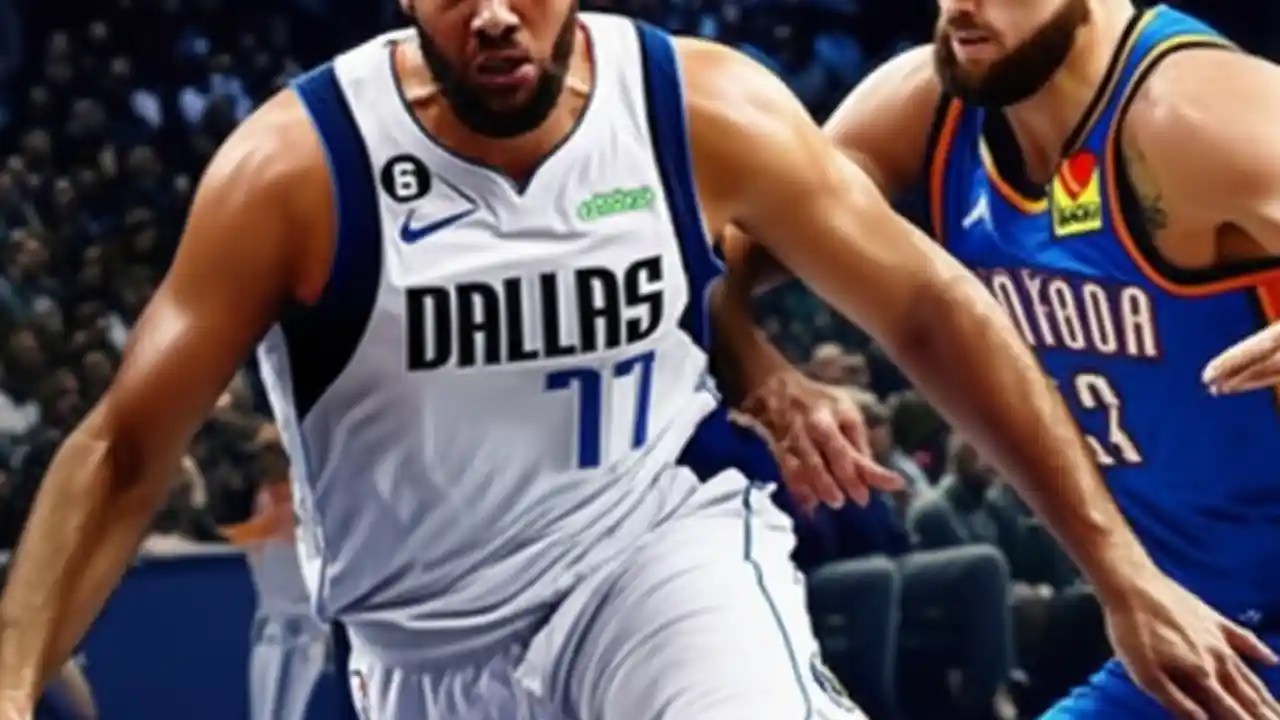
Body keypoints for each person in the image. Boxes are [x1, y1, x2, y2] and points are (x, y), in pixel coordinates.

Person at [0, 0, 1267, 717]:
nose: (497, 15)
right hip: (422, 645)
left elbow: (927, 303)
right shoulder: (294, 171)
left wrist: (1110, 568)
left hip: (658, 567)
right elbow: (119, 448)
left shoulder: (698, 104)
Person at [722, 0, 1280, 717]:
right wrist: (754, 364)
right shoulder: (928, 107)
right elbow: (721, 237)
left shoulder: (1193, 110)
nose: (961, 7)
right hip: (1210, 639)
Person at [218, 431, 329, 720]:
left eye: (272, 455)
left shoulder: (305, 497)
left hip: (303, 627)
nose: (264, 464)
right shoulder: (265, 496)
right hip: (271, 622)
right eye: (263, 456)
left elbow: (255, 532)